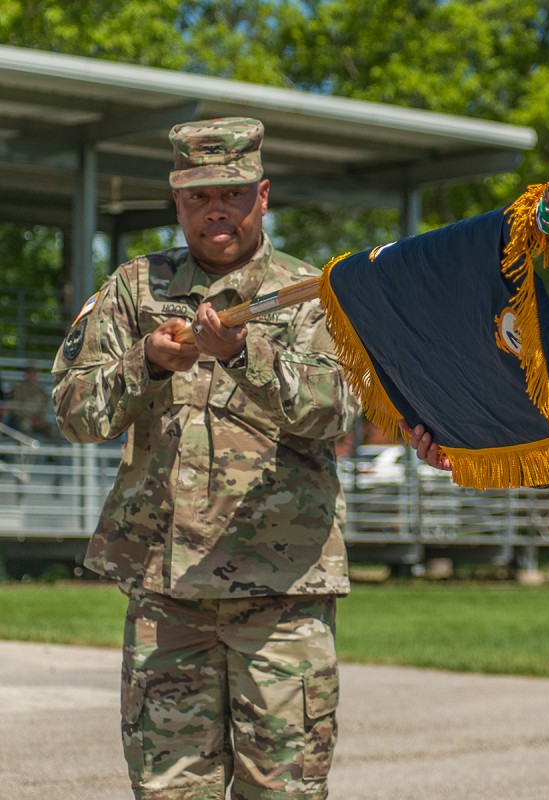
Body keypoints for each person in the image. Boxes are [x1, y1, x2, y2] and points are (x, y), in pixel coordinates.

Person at [52, 117, 354, 800]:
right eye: (199, 196)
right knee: (169, 791)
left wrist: (243, 355)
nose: (216, 209)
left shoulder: (311, 292)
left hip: (280, 594)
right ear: (178, 202)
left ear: (263, 194)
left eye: (233, 192)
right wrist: (145, 365)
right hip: (168, 595)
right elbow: (74, 410)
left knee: (285, 791)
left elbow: (338, 408)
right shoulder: (135, 289)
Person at [10, 364, 50, 438]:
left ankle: (52, 449)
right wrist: (30, 419)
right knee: (25, 426)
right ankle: (26, 448)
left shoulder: (41, 390)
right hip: (23, 419)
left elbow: (46, 406)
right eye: (29, 373)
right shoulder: (18, 389)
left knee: (53, 429)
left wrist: (40, 418)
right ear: (25, 375)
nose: (32, 376)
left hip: (39, 419)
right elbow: (15, 407)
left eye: (34, 374)